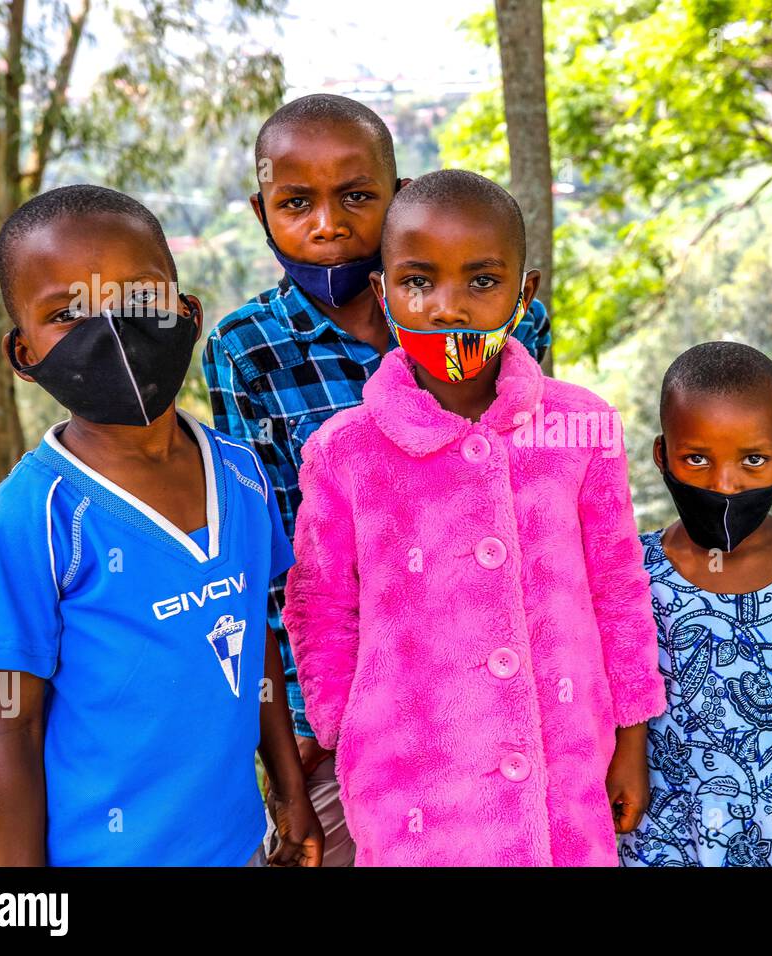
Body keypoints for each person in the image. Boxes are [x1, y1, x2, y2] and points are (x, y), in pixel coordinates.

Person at [202, 96, 551, 864]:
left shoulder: (498, 316)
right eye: (297, 203)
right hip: (360, 681)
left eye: (358, 196)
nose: (328, 224)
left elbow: (532, 493)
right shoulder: (246, 349)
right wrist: (306, 710)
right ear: (263, 212)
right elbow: (275, 550)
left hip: (495, 662)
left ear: (400, 195)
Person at [283, 169, 664, 865]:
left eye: (482, 282)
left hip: (565, 777)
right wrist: (349, 724)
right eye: (419, 281)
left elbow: (617, 583)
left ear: (525, 294)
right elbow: (321, 605)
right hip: (409, 793)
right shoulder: (343, 452)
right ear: (384, 290)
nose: (448, 307)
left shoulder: (581, 426)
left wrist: (632, 733)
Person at [0, 185, 321, 866]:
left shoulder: (239, 470)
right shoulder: (34, 517)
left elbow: (250, 635)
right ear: (22, 354)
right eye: (64, 312)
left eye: (138, 297)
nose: (110, 328)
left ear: (188, 312)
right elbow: (9, 726)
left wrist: (290, 792)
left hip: (239, 848)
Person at [619, 342, 772, 867]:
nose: (724, 485)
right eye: (696, 459)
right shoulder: (631, 568)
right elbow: (620, 677)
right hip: (653, 844)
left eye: (753, 460)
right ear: (661, 455)